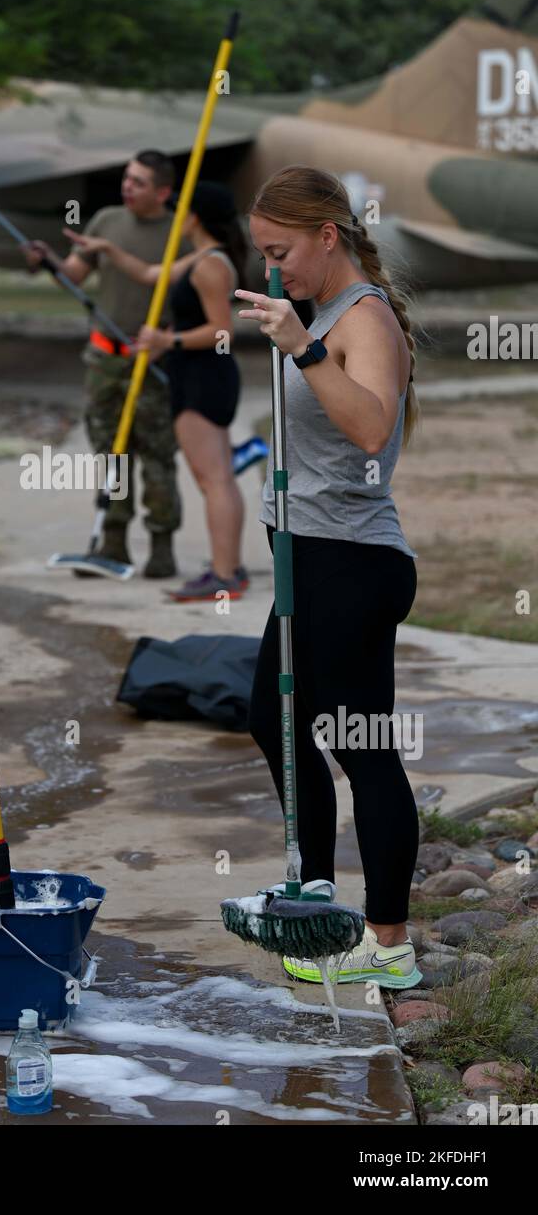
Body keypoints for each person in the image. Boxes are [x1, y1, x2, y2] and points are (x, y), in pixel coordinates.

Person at [238, 163, 423, 990]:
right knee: (270, 717)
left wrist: (304, 350)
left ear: (327, 234)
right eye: (261, 256)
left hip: (353, 562)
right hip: (309, 557)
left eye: (281, 251)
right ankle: (311, 890)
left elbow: (372, 428)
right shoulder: (316, 311)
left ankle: (387, 946)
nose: (272, 271)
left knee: (363, 746)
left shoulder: (363, 318)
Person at [64, 181, 250, 601]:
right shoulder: (199, 258)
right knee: (216, 477)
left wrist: (169, 342)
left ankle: (224, 574)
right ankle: (229, 567)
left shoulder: (210, 266)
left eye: (181, 208)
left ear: (196, 216)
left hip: (204, 377)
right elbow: (150, 274)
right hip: (195, 375)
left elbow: (223, 331)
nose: (175, 214)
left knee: (213, 479)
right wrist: (107, 249)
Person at [24, 151, 188, 577]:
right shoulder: (106, 221)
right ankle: (112, 543)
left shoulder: (181, 233)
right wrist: (48, 263)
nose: (127, 187)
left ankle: (162, 543)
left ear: (163, 191)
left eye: (138, 182)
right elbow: (73, 276)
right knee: (112, 454)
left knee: (157, 454)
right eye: (127, 179)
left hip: (153, 362)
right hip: (104, 361)